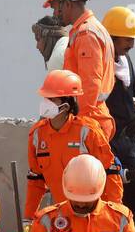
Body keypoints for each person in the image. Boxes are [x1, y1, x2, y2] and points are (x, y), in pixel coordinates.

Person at [25, 69, 122, 219]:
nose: (46, 103)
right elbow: (36, 182)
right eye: (45, 98)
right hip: (64, 216)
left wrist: (114, 215)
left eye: (52, 99)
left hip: (93, 214)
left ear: (67, 104)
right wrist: (28, 220)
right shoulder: (37, 135)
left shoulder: (88, 132)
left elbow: (110, 174)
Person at [46, 0, 116, 140]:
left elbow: (89, 86)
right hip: (91, 119)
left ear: (67, 3)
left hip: (89, 121)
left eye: (56, 7)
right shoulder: (88, 30)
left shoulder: (86, 34)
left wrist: (78, 124)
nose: (55, 13)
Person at [102, 6, 135, 213]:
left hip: (127, 141)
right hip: (112, 143)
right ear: (111, 38)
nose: (131, 44)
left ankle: (124, 226)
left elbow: (130, 89)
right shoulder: (101, 65)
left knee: (128, 195)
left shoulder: (124, 59)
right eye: (127, 39)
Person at [33, 15, 70, 117]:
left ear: (48, 38)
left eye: (38, 39)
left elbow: (53, 101)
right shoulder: (66, 44)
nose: (37, 46)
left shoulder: (58, 56)